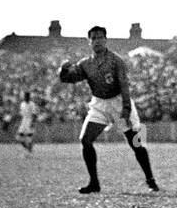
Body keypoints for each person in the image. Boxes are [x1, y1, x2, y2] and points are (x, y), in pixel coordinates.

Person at [58, 26, 158, 194]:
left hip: (119, 102)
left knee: (136, 143)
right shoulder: (85, 64)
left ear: (105, 40)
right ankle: (94, 183)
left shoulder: (115, 60)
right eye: (94, 38)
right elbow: (69, 78)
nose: (97, 41)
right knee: (85, 140)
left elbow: (124, 84)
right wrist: (63, 69)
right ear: (89, 41)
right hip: (99, 103)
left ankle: (150, 179)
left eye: (100, 37)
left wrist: (126, 107)